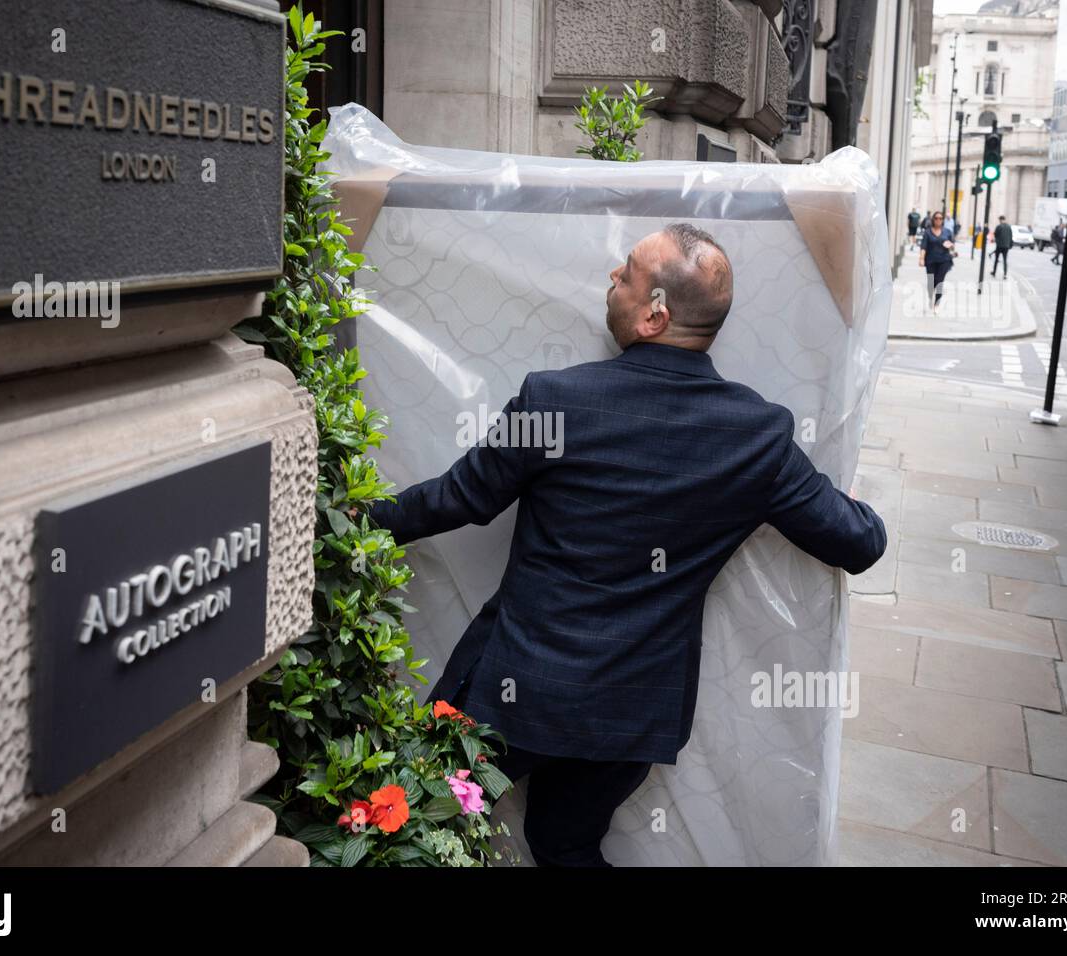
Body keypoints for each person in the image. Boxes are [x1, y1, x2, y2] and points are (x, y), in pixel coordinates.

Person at [369, 223, 887, 867]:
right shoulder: (757, 436)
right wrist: (854, 494)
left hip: (515, 688)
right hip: (631, 713)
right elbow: (860, 542)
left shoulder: (555, 402)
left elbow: (456, 500)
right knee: (565, 843)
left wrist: (348, 518)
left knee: (405, 820)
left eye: (627, 273)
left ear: (655, 313)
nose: (612, 278)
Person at [918, 210, 955, 310]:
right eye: (936, 218)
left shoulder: (947, 232)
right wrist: (921, 258)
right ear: (933, 219)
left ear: (942, 220)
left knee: (939, 281)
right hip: (930, 260)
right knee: (931, 282)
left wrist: (950, 246)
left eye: (940, 218)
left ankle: (937, 303)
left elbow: (952, 246)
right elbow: (923, 246)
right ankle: (931, 295)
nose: (938, 220)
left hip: (944, 260)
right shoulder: (928, 232)